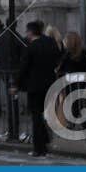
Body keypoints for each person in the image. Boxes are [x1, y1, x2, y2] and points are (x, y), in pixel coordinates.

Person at [15, 20, 63, 157]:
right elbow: (58, 58)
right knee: (43, 115)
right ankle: (45, 141)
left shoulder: (31, 47)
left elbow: (23, 67)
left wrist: (16, 84)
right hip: (49, 84)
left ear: (30, 32)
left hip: (34, 86)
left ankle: (39, 147)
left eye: (27, 31)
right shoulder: (50, 43)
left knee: (36, 116)